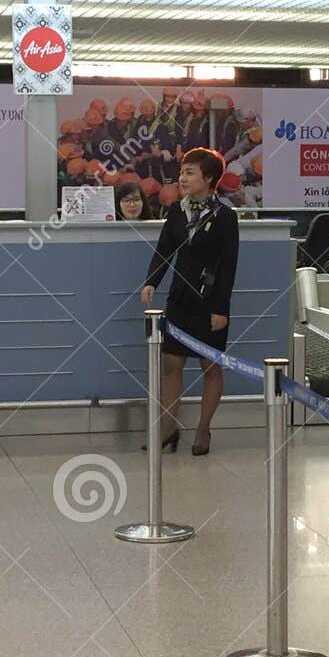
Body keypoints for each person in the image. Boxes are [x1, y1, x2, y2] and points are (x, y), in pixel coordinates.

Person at [140, 148, 239, 458]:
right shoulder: (177, 212)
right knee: (172, 364)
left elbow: (228, 266)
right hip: (179, 299)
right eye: (182, 172)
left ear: (209, 178)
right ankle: (168, 429)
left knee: (211, 366)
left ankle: (203, 428)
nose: (182, 178)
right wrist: (151, 281)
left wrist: (221, 309)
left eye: (190, 172)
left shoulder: (225, 217)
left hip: (211, 302)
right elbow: (164, 250)